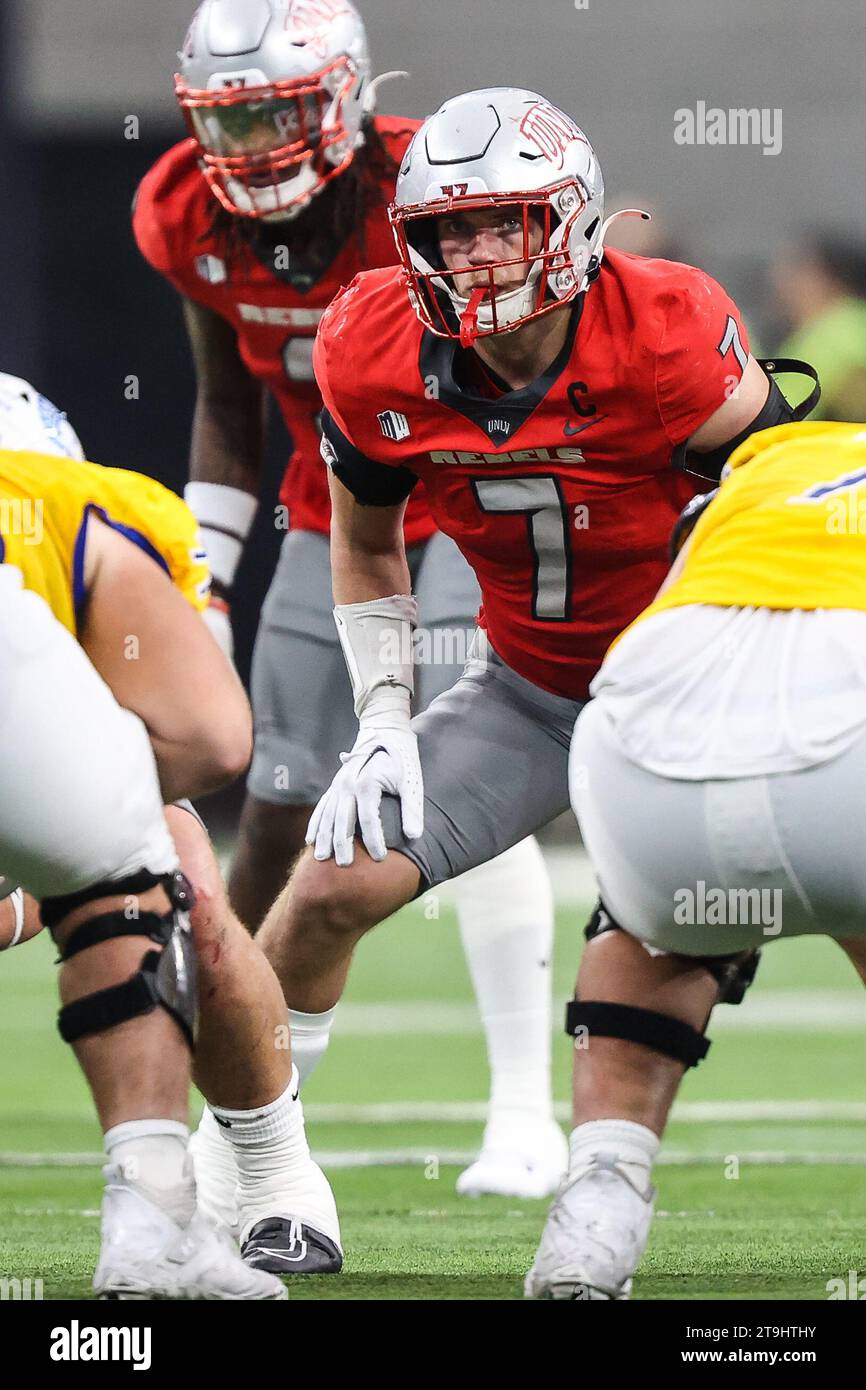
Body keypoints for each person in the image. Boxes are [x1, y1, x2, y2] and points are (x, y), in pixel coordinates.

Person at [221, 85, 815, 1263]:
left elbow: (776, 492)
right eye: (449, 229)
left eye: (503, 221)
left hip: (700, 685)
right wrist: (383, 714)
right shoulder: (375, 342)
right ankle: (255, 1177)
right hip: (534, 689)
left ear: (574, 220)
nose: (474, 252)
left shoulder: (661, 328)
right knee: (328, 884)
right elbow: (365, 535)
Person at [133, 0, 563, 1203]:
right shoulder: (182, 208)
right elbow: (226, 404)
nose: (254, 141)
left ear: (340, 96)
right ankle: (252, 1105)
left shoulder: (431, 187)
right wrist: (202, 579)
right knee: (274, 802)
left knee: (456, 771)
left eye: (274, 109)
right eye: (231, 116)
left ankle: (524, 1115)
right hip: (332, 510)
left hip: (468, 495)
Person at [0, 375, 334, 1290]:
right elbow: (213, 738)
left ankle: (266, 1174)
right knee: (149, 889)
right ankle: (157, 1222)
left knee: (165, 879)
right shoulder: (83, 507)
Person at [527, 419, 866, 1299]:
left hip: (651, 774)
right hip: (847, 770)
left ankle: (598, 1206)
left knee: (651, 930)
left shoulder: (767, 463)